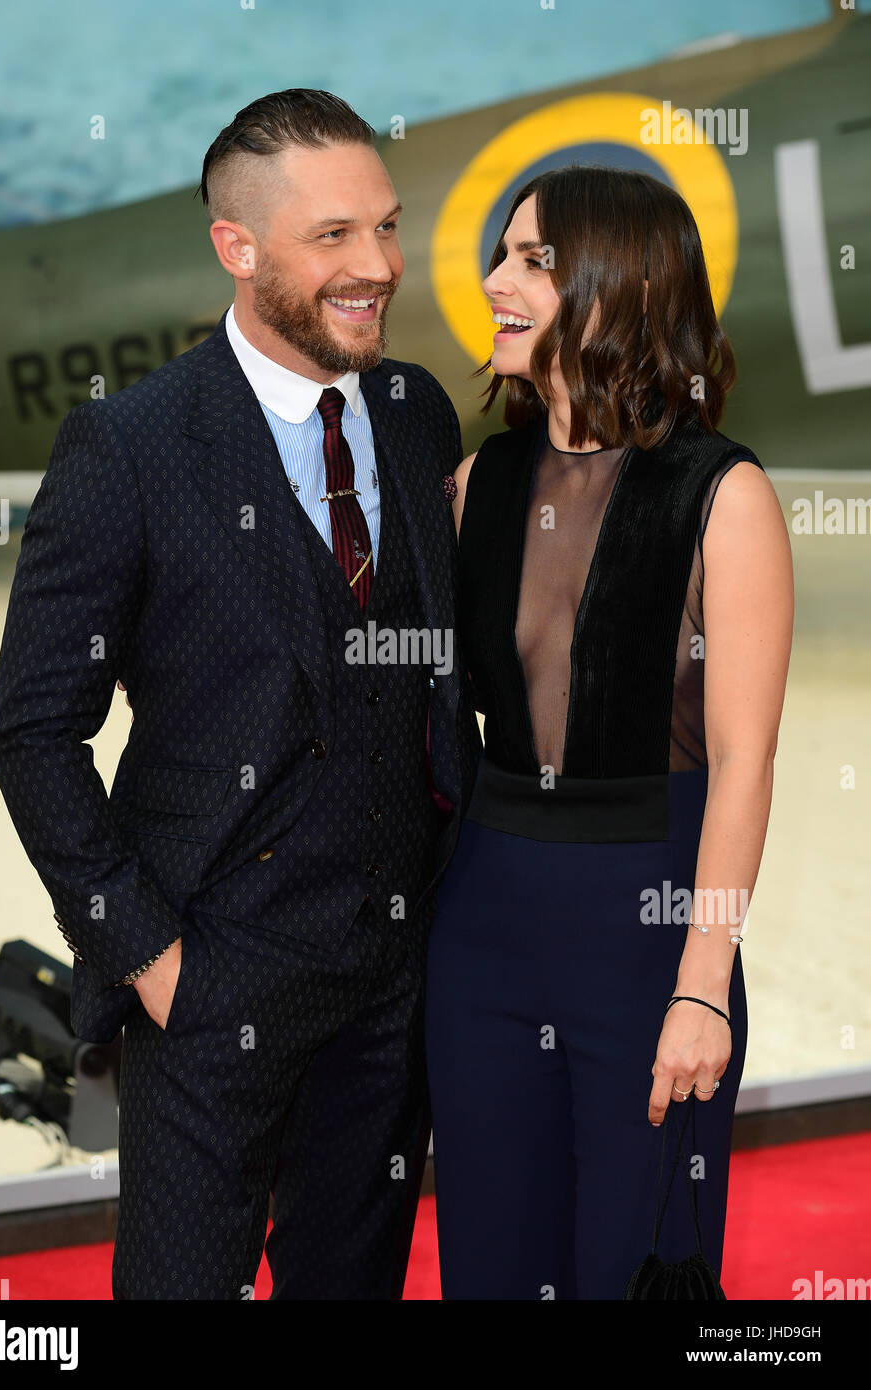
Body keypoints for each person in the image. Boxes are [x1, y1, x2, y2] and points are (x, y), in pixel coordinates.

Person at [0, 88, 480, 1300]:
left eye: (386, 226)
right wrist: (148, 958)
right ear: (237, 247)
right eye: (333, 236)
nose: (378, 266)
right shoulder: (130, 447)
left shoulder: (415, 411)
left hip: (392, 985)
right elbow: (34, 730)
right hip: (209, 983)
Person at [424, 165, 794, 1299]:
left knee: (635, 1267)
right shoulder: (475, 483)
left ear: (624, 286)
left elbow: (743, 763)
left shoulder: (721, 495)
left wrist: (702, 981)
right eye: (501, 254)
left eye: (533, 261)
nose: (495, 281)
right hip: (479, 930)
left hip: (649, 941)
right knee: (491, 1259)